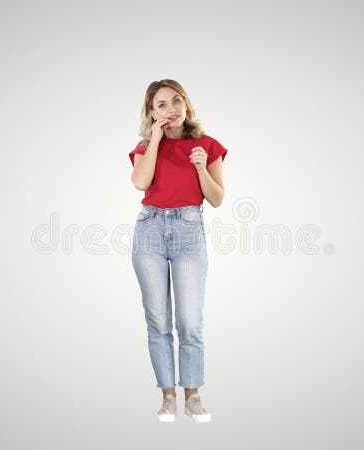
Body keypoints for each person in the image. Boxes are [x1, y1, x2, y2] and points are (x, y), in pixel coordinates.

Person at [128, 79, 227, 422]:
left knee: (189, 321)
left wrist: (200, 167)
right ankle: (168, 395)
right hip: (150, 230)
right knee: (157, 320)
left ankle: (193, 395)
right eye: (161, 105)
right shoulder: (145, 147)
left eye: (175, 101)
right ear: (151, 113)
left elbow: (216, 199)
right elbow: (141, 182)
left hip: (188, 231)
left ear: (186, 104)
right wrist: (154, 140)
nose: (170, 109)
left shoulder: (207, 146)